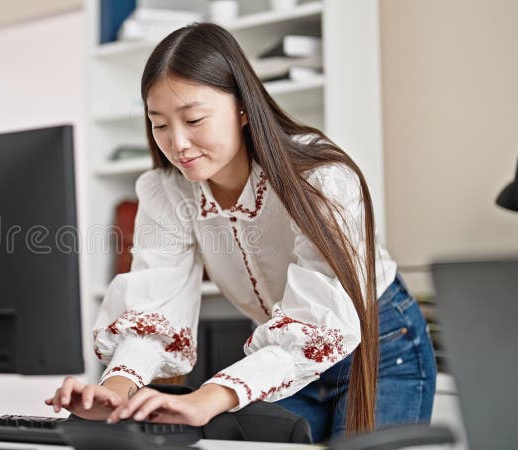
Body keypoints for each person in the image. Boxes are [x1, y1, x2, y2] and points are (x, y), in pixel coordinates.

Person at [45, 22, 436, 442]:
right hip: (284, 358)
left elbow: (319, 320)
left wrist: (210, 395)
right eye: (159, 125)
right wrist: (114, 392)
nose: (177, 143)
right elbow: (153, 306)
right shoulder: (168, 192)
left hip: (382, 350)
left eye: (193, 119)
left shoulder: (323, 181)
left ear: (243, 108)